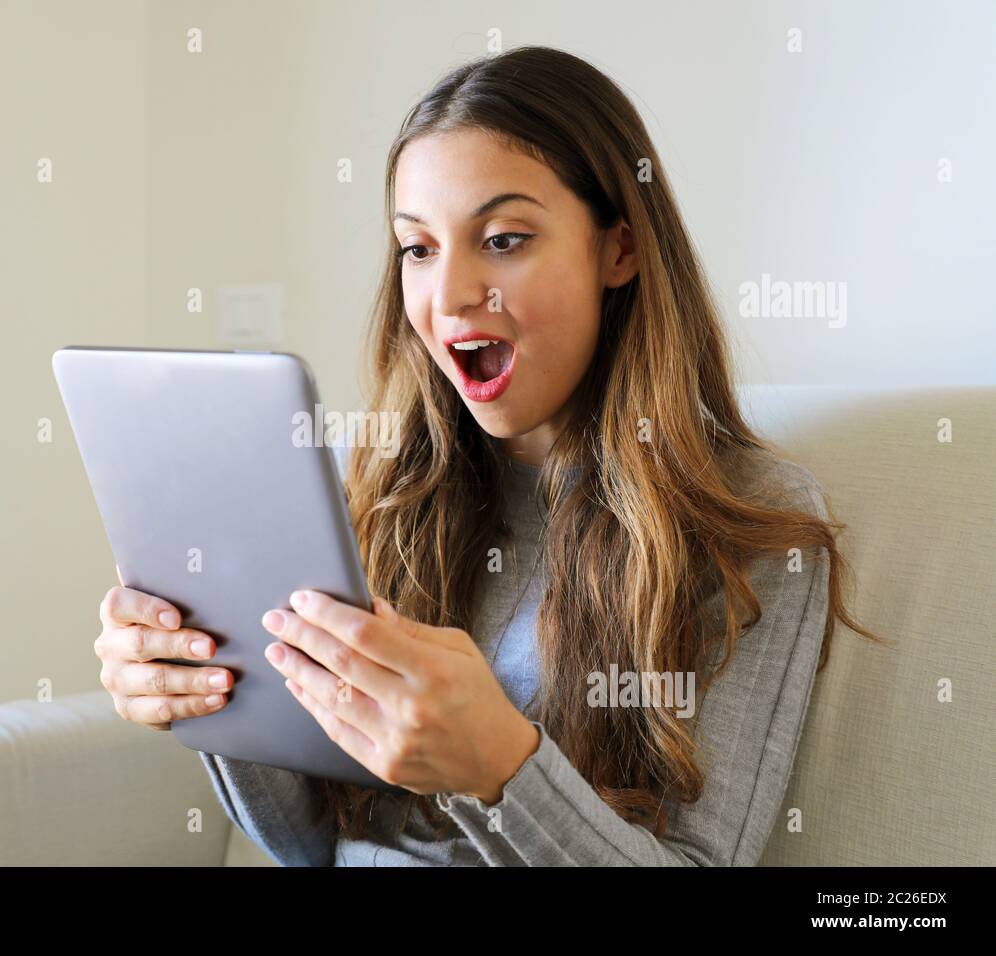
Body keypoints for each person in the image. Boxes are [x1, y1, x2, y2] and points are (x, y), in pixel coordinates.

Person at [92, 45, 880, 866]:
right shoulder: (380, 488)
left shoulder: (746, 524)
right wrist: (215, 691)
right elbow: (313, 845)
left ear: (620, 249)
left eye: (503, 239)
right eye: (418, 249)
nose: (451, 293)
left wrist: (499, 769)